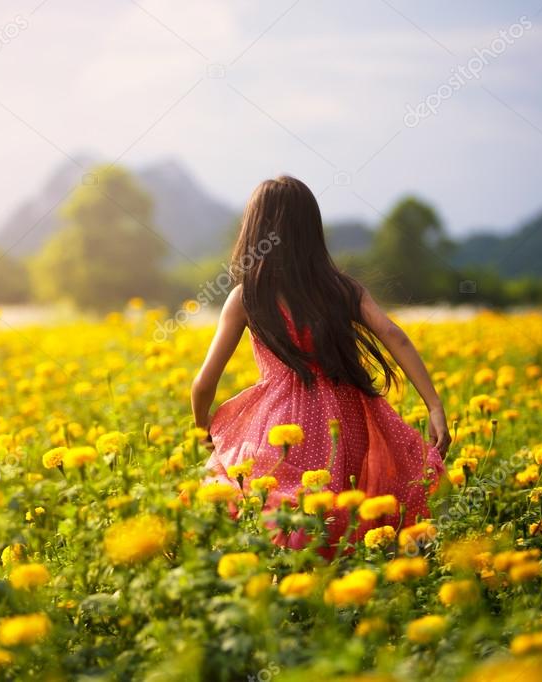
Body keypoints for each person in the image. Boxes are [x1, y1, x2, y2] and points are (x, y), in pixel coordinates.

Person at [190, 175, 448, 559]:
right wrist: (434, 406)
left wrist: (202, 424)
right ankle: (356, 578)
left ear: (255, 228)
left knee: (279, 503)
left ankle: (293, 583)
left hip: (279, 424)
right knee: (351, 498)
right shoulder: (343, 289)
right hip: (349, 418)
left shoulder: (247, 297)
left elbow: (203, 382)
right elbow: (396, 337)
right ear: (312, 229)